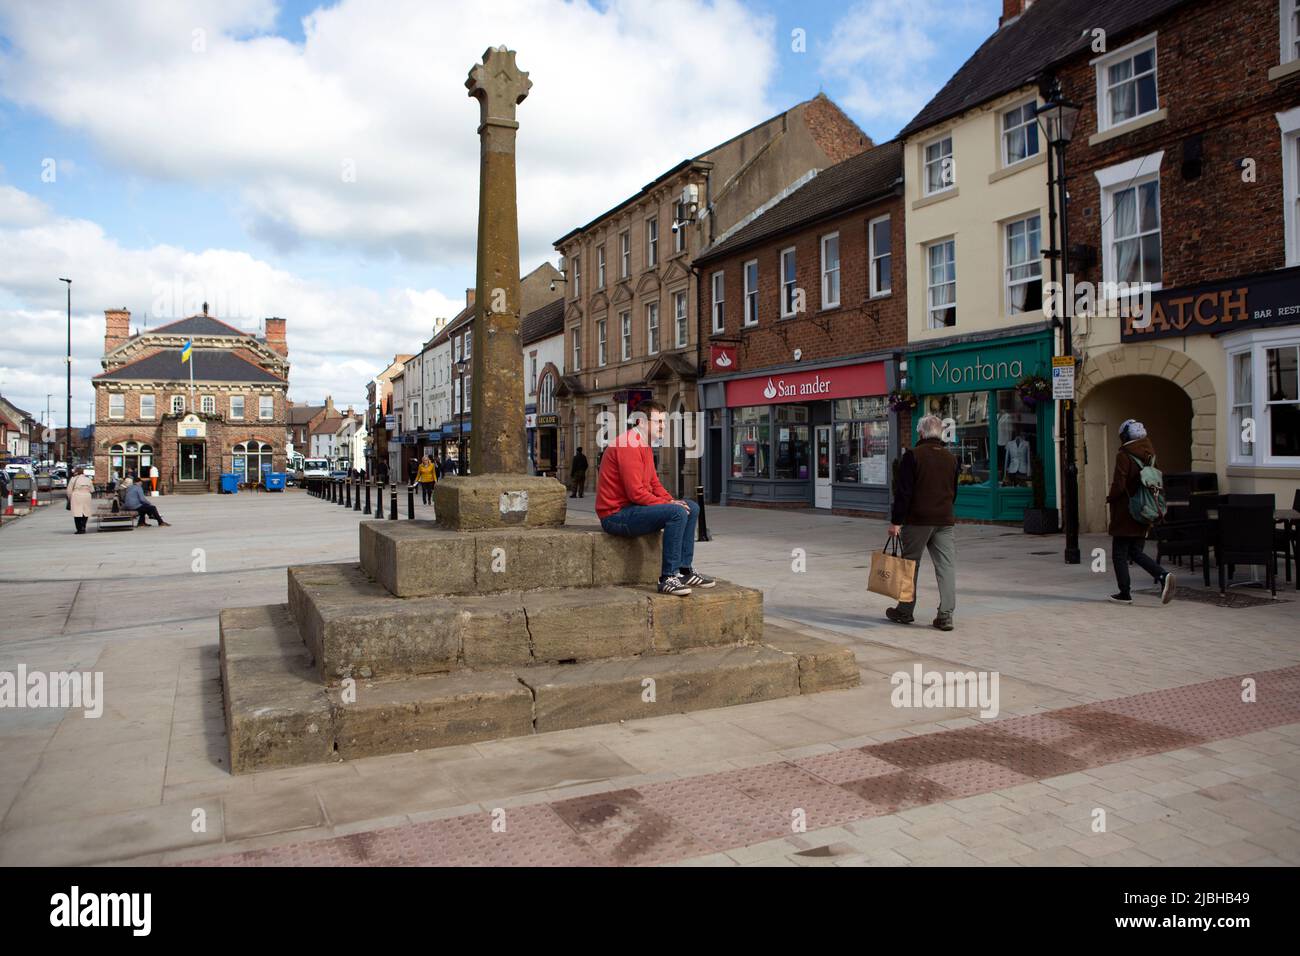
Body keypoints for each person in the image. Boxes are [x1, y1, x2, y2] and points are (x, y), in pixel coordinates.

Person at [595, 400, 714, 597]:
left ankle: (684, 570)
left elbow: (654, 483)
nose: (664, 426)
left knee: (691, 507)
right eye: (659, 422)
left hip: (633, 509)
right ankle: (668, 577)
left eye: (664, 421)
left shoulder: (645, 446)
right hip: (615, 515)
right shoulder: (628, 446)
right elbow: (636, 493)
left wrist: (672, 500)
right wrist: (670, 505)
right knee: (676, 513)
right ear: (642, 422)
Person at [886, 414, 960, 631]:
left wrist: (896, 522)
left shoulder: (913, 456)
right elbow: (954, 492)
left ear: (920, 432)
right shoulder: (951, 458)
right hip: (945, 519)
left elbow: (904, 492)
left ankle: (905, 610)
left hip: (918, 520)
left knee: (910, 565)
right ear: (940, 433)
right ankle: (946, 615)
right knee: (946, 567)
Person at [1106, 419, 1176, 605]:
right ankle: (1163, 576)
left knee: (1119, 553)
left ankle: (1124, 593)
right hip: (1146, 508)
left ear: (1125, 436)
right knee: (1135, 551)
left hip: (1127, 510)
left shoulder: (1124, 455)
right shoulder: (1149, 454)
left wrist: (1110, 498)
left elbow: (1119, 484)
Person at [68, 466, 94, 534]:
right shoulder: (88, 479)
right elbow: (92, 490)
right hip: (86, 496)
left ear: (76, 472)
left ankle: (79, 529)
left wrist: (70, 498)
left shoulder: (73, 479)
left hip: (76, 496)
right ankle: (83, 526)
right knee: (85, 512)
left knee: (77, 513)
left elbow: (69, 490)